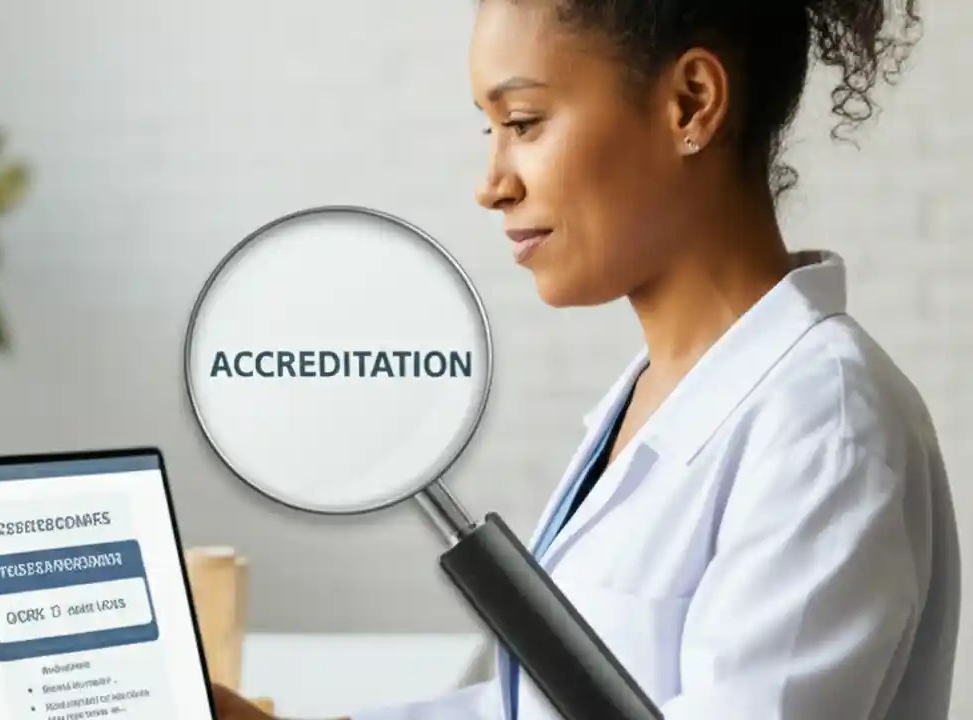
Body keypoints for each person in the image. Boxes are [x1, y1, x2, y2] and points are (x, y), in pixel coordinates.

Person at [213, 0, 961, 717]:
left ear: (691, 104)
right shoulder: (659, 398)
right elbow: (557, 703)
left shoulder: (824, 428)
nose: (493, 185)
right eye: (491, 131)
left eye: (524, 123)